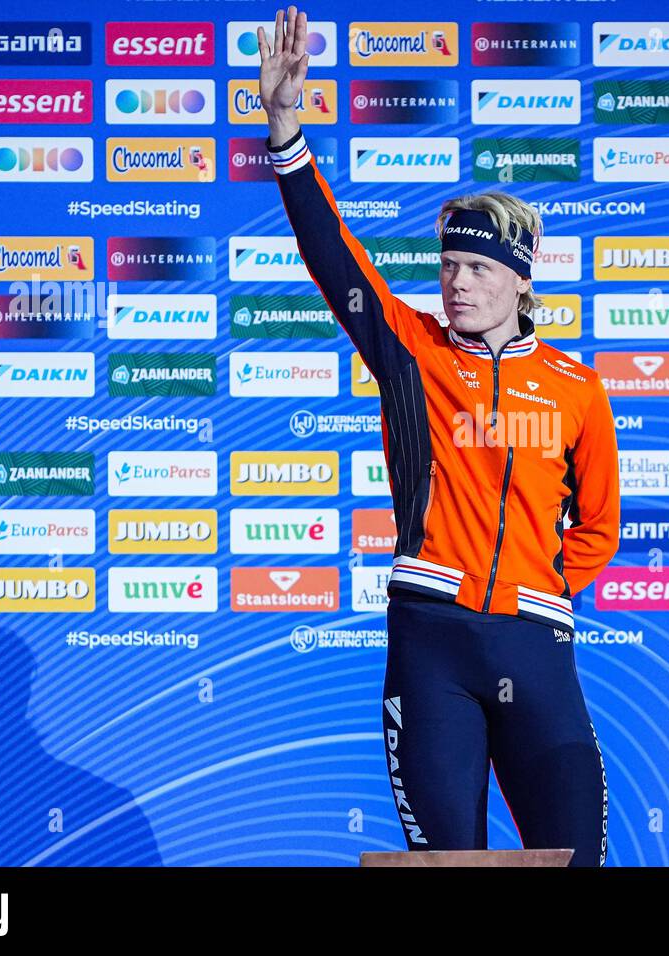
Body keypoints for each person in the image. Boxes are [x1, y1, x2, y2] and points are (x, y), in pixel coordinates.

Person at [259, 6, 620, 866]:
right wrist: (286, 129)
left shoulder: (577, 388)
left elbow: (599, 528)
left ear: (520, 282)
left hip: (536, 647)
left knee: (577, 857)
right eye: (449, 265)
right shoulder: (410, 351)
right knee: (447, 867)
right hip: (430, 641)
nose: (457, 283)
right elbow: (331, 255)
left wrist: (534, 588)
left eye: (480, 269)